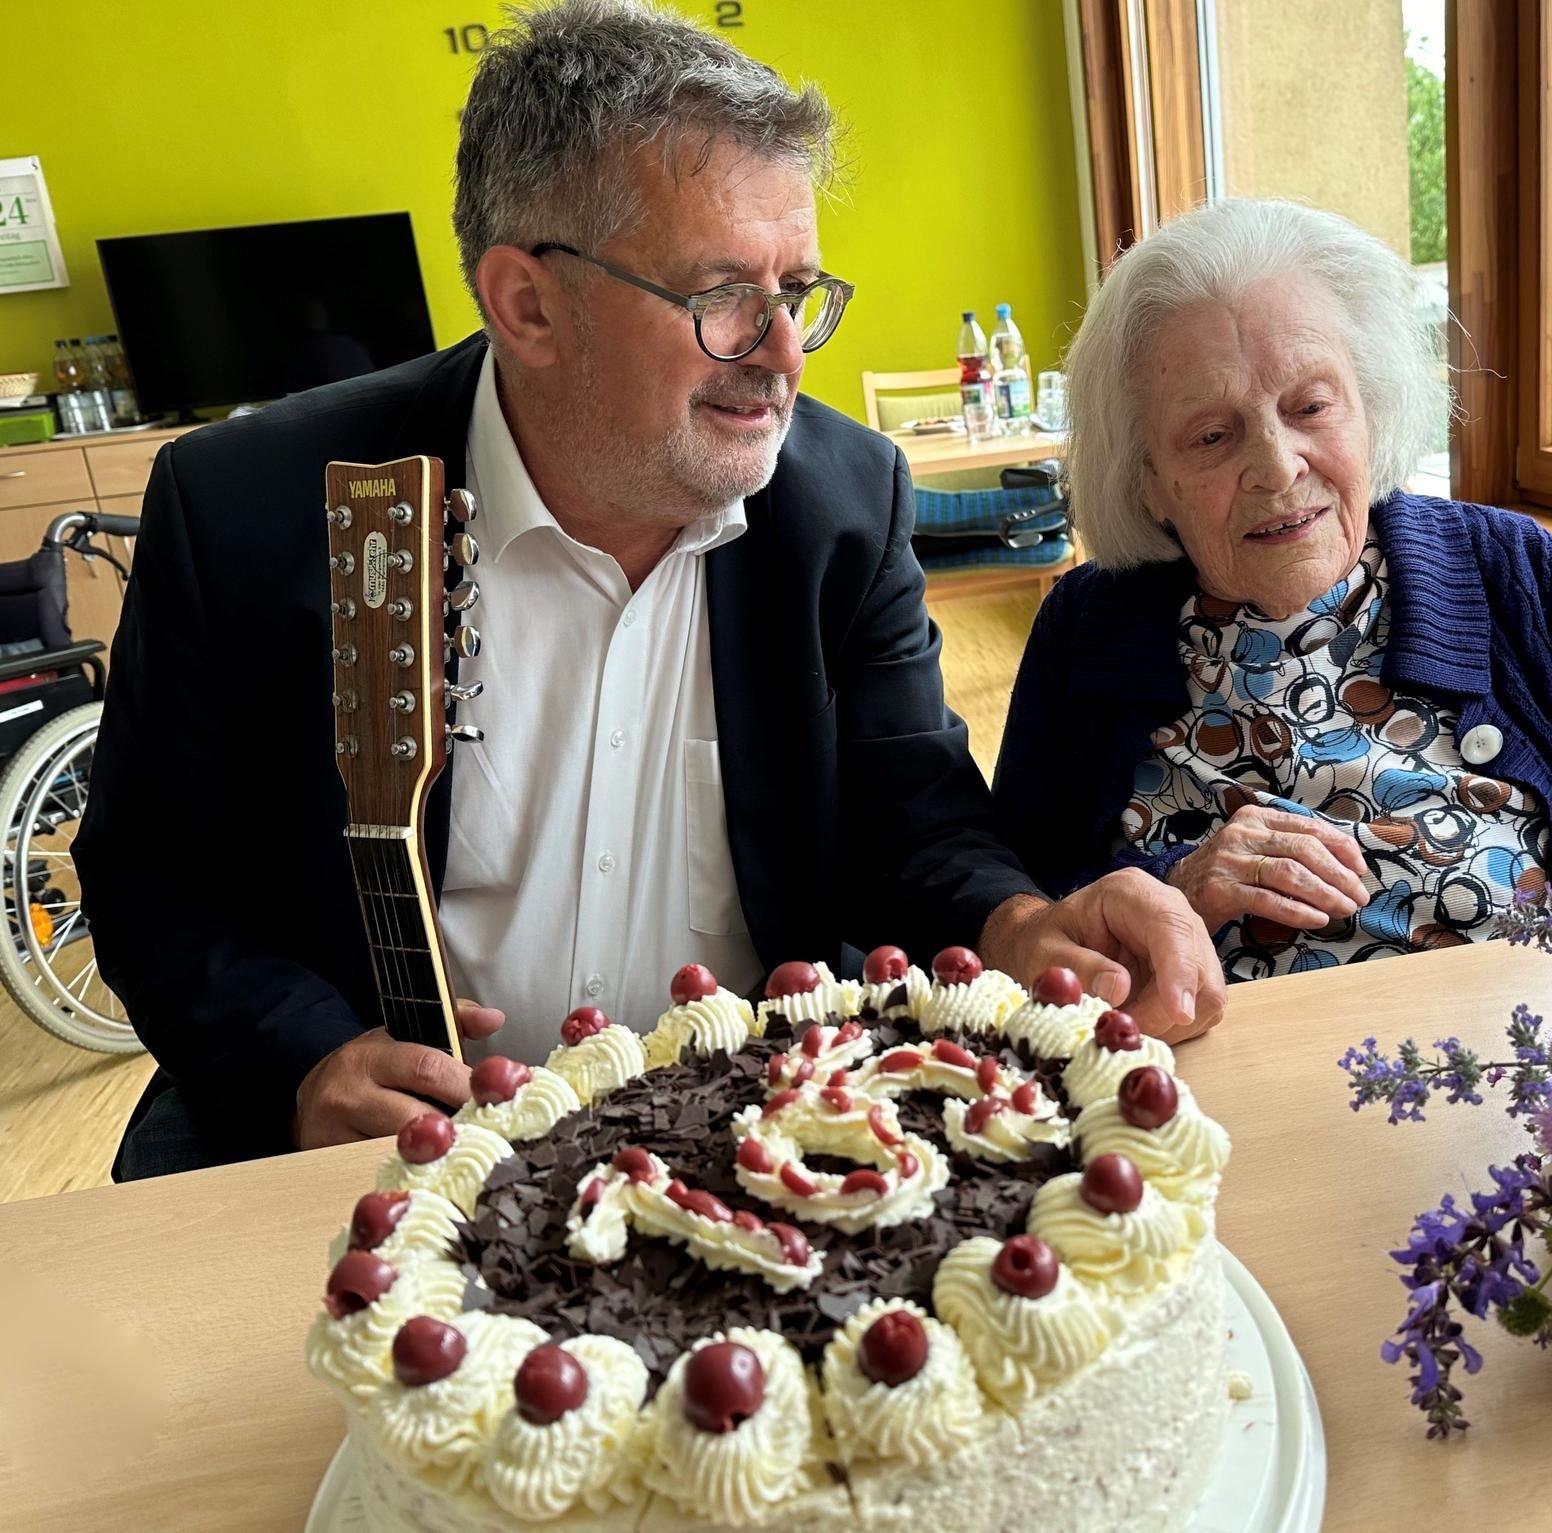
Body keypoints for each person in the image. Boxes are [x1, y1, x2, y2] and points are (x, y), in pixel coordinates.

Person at [76, 0, 1222, 1180]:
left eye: (799, 290)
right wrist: (304, 1063)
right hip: (393, 1155)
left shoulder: (837, 502)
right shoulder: (256, 507)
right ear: (526, 303)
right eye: (720, 293)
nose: (781, 351)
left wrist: (1020, 923)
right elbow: (152, 876)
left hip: (731, 1142)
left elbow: (911, 817)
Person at [993, 198, 1552, 983]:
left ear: (1371, 411)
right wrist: (1176, 884)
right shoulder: (1087, 629)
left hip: (1541, 1070)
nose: (1278, 467)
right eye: (1213, 436)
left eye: (1311, 406)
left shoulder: (1505, 566)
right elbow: (1018, 916)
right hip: (1213, 1089)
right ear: (1148, 481)